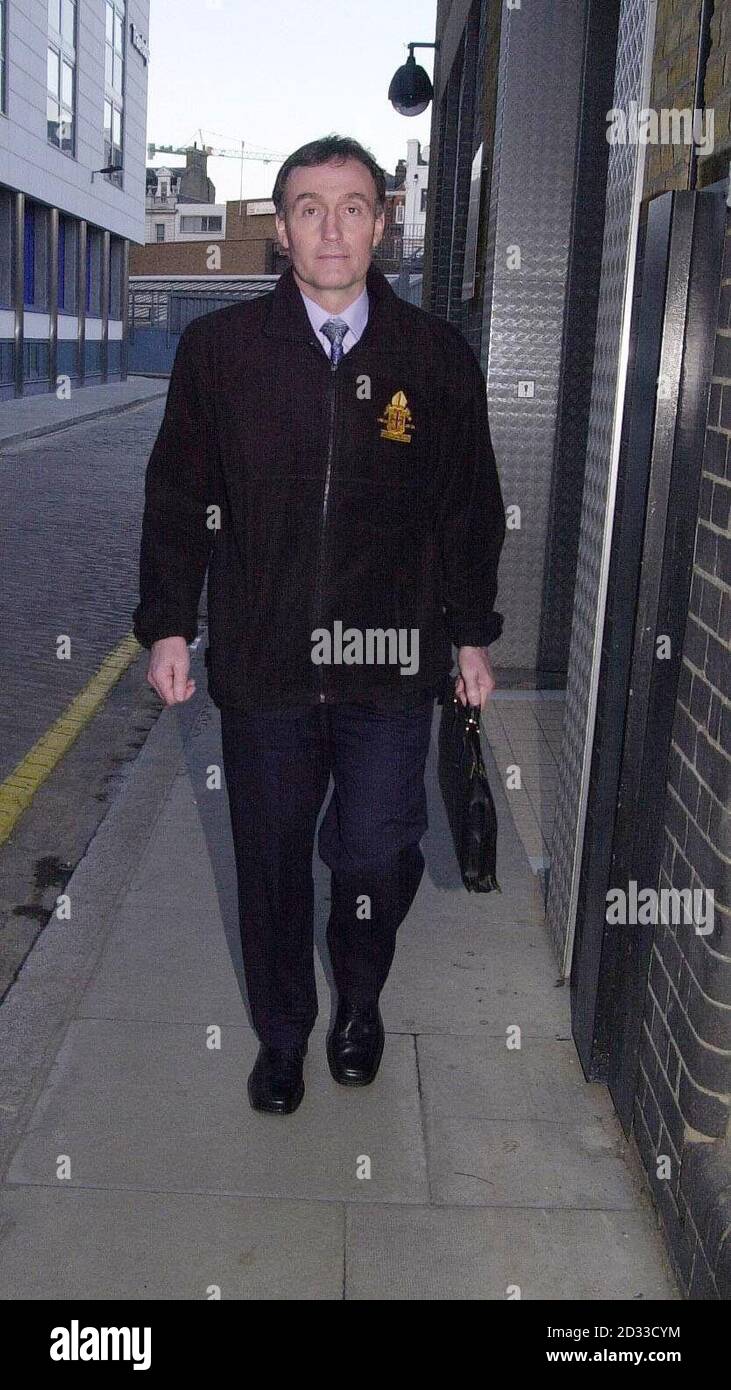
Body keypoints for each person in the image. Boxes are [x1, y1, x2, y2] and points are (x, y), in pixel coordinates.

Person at [132, 134, 506, 1116]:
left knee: (376, 852)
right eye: (308, 207)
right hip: (265, 666)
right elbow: (179, 496)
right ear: (281, 230)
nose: (331, 227)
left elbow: (468, 505)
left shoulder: (432, 357)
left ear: (381, 223)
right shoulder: (221, 354)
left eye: (351, 206)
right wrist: (168, 625)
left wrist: (469, 633)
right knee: (267, 860)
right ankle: (284, 1033)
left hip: (390, 666)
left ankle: (360, 999)